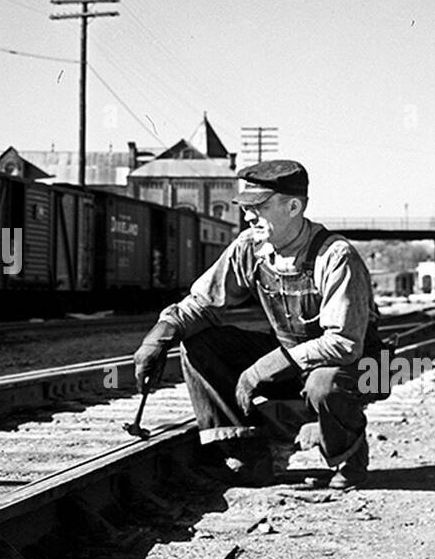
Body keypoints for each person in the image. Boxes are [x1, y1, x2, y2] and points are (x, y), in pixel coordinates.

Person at [132, 159, 382, 489]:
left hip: (360, 367)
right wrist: (161, 334)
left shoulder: (335, 256)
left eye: (259, 207)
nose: (249, 216)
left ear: (293, 206)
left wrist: (263, 368)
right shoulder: (251, 247)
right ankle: (248, 457)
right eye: (246, 207)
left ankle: (349, 459)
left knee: (325, 384)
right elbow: (203, 302)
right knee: (200, 343)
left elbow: (344, 344)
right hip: (294, 361)